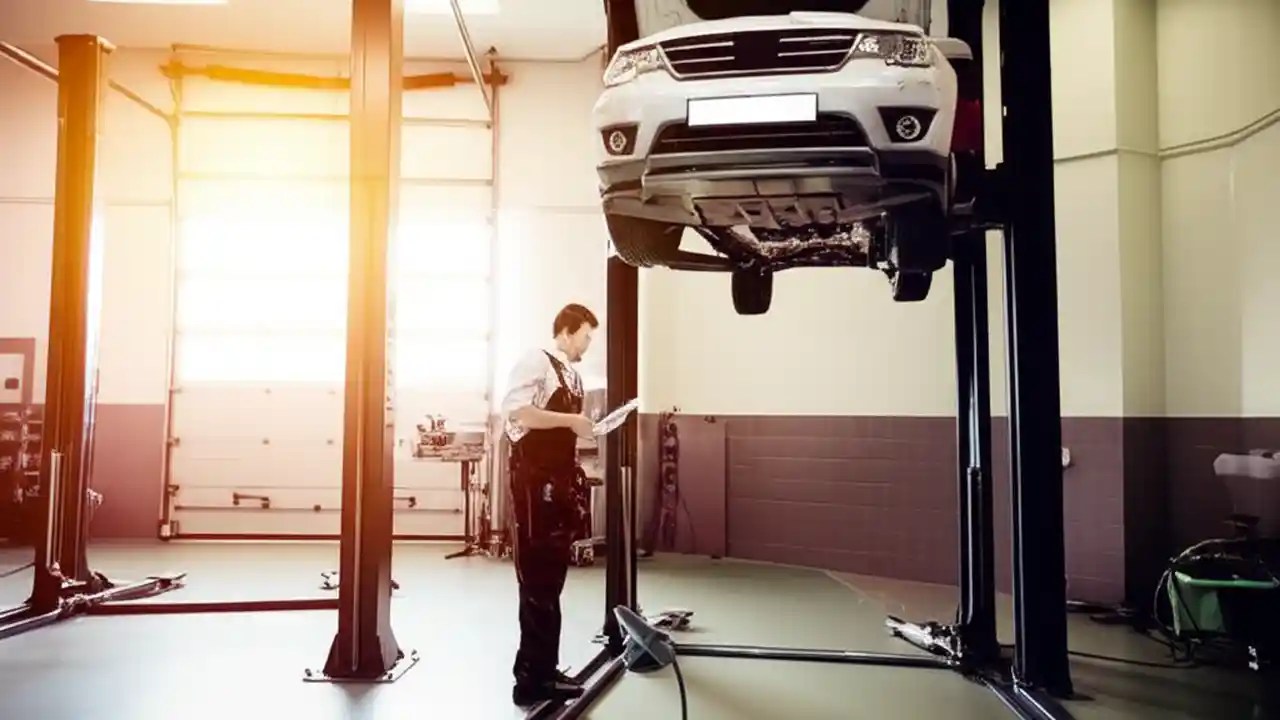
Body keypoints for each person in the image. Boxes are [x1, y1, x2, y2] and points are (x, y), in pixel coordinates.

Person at [501, 303, 599, 706]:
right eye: (586, 336)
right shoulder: (536, 360)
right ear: (567, 331)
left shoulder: (571, 376)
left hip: (556, 486)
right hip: (533, 485)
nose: (588, 345)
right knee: (538, 581)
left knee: (551, 581)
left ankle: (544, 669)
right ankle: (530, 679)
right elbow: (518, 414)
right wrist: (571, 422)